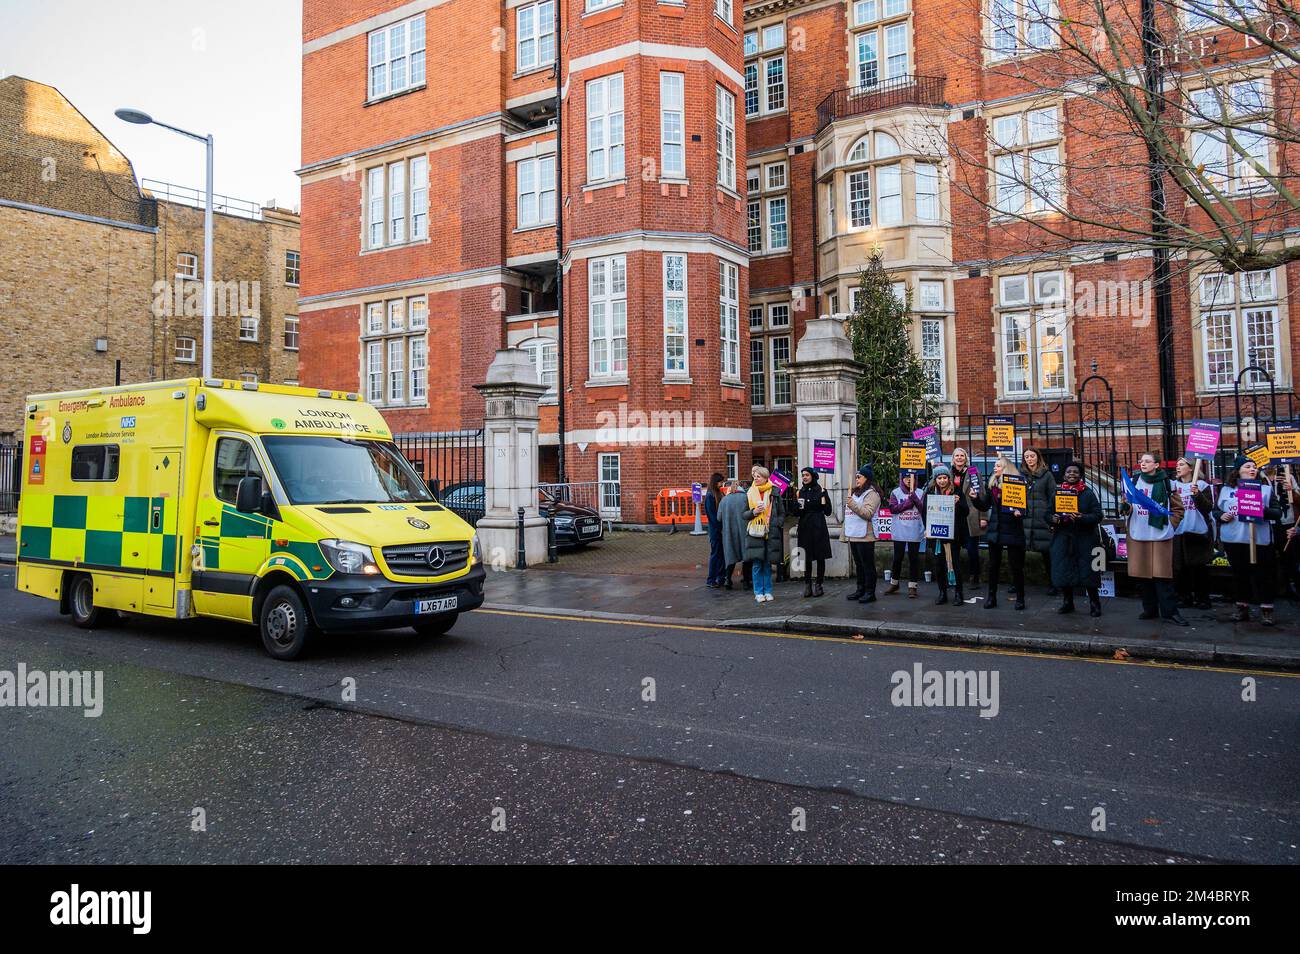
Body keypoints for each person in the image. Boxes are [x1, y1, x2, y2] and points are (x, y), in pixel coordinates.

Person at [1122, 451, 1187, 626]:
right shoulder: (1134, 482)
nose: (1143, 464)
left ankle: (1170, 612)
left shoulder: (1167, 483)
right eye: (1141, 461)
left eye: (1147, 461)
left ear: (1157, 465)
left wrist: (1170, 525)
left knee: (1163, 577)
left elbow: (1178, 509)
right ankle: (1149, 609)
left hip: (1160, 534)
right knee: (1143, 576)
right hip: (1139, 533)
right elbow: (1128, 505)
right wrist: (1126, 508)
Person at [1214, 456, 1281, 625]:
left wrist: (1261, 509)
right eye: (1248, 466)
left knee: (1263, 576)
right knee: (1239, 575)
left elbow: (1277, 512)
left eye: (1254, 467)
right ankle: (1242, 608)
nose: (1252, 469)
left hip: (1259, 540)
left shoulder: (1265, 489)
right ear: (1238, 471)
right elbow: (1216, 511)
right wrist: (1221, 516)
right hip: (1234, 539)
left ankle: (1266, 610)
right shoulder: (1226, 490)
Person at [1048, 460, 1103, 617]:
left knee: (1088, 572)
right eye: (1068, 472)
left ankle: (1094, 603)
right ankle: (1068, 602)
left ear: (1080, 475)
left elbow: (1098, 515)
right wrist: (1053, 519)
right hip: (1063, 538)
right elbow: (1047, 513)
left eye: (1075, 472)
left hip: (1084, 538)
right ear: (1064, 475)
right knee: (1064, 570)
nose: (1072, 474)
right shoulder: (1057, 493)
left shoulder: (1088, 493)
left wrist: (1082, 517)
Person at [971, 456, 1027, 610]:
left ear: (1005, 469)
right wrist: (975, 499)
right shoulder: (992, 487)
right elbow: (984, 506)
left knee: (1016, 566)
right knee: (993, 566)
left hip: (1013, 530)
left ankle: (1020, 598)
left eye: (998, 466)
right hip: (996, 530)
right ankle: (991, 597)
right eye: (995, 466)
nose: (994, 468)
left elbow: (1025, 508)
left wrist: (1019, 512)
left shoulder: (1017, 485)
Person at [1172, 457, 1214, 611]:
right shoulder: (1173, 486)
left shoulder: (1202, 486)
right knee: (1180, 567)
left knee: (1198, 568)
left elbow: (1207, 508)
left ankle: (1202, 598)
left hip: (1196, 530)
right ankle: (1184, 597)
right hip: (1178, 531)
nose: (1178, 467)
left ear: (1191, 468)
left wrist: (1197, 495)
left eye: (1181, 464)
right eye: (1177, 465)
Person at [925, 464, 969, 606]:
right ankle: (942, 592)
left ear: (948, 479)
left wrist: (958, 503)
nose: (942, 481)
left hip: (952, 536)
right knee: (939, 565)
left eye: (944, 478)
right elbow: (924, 512)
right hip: (936, 536)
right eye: (939, 478)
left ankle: (958, 593)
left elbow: (966, 511)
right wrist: (927, 528)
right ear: (935, 479)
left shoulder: (956, 491)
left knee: (954, 564)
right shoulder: (930, 492)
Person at [743, 466, 785, 603]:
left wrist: (777, 523)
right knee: (757, 565)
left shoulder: (775, 492)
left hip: (770, 532)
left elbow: (781, 512)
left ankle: (767, 591)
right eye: (754, 476)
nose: (756, 478)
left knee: (767, 564)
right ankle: (758, 592)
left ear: (766, 478)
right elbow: (744, 514)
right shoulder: (749, 492)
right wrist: (754, 512)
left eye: (758, 476)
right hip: (755, 532)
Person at [1022, 447, 1057, 596]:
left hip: (1042, 520)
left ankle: (1054, 584)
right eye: (1027, 457)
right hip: (1024, 520)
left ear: (1038, 457)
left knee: (1048, 555)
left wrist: (1052, 518)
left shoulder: (1047, 475)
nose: (1030, 459)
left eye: (1032, 456)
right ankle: (1017, 584)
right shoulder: (1020, 475)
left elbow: (1053, 497)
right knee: (1018, 556)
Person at [844, 464, 881, 603]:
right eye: (856, 477)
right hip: (854, 534)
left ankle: (870, 592)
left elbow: (867, 513)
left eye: (859, 477)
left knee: (867, 565)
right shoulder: (855, 492)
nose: (856, 479)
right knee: (859, 564)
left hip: (866, 535)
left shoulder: (872, 494)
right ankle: (861, 589)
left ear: (867, 478)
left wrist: (851, 504)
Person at [885, 471, 925, 598]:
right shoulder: (895, 492)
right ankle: (894, 583)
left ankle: (912, 586)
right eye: (906, 477)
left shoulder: (920, 492)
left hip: (915, 529)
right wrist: (906, 504)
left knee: (913, 559)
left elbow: (924, 508)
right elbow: (892, 508)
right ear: (902, 478)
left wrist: (916, 500)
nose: (908, 480)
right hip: (900, 530)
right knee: (898, 558)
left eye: (911, 477)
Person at [950, 447, 986, 588]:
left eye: (962, 455)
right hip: (954, 517)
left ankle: (974, 576)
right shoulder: (948, 472)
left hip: (971, 515)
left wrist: (983, 517)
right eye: (956, 456)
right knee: (954, 550)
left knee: (972, 549)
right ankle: (954, 576)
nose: (959, 458)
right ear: (953, 459)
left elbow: (981, 494)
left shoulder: (972, 472)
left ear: (966, 458)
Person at [796, 467, 833, 597]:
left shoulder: (821, 491)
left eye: (806, 475)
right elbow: (797, 513)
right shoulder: (800, 492)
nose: (804, 477)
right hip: (805, 526)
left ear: (812, 476)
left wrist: (824, 499)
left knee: (820, 556)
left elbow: (828, 511)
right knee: (805, 556)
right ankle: (807, 584)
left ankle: (819, 584)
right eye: (802, 475)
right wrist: (796, 504)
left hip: (818, 525)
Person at [718, 476, 750, 590]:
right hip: (743, 531)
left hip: (729, 533)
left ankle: (728, 579)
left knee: (730, 556)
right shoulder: (745, 498)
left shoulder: (724, 500)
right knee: (746, 556)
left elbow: (719, 517)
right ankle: (746, 581)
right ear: (741, 487)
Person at [703, 472, 727, 589]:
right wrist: (720, 528)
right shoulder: (710, 496)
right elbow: (712, 517)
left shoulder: (718, 493)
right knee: (715, 554)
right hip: (715, 531)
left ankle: (721, 577)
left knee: (721, 554)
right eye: (720, 482)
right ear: (715, 482)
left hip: (720, 530)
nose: (721, 484)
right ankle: (711, 579)